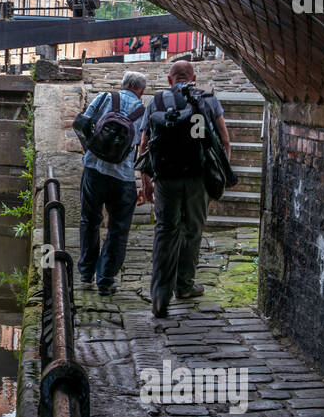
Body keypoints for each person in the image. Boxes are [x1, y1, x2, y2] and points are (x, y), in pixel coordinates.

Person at [138, 58, 230, 317]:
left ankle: (159, 295)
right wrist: (221, 175)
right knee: (192, 229)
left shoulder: (155, 102)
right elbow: (224, 140)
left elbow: (144, 144)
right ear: (194, 78)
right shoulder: (207, 99)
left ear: (170, 80)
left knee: (165, 231)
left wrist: (145, 180)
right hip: (197, 177)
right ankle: (185, 284)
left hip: (165, 178)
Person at [75, 71, 149, 295]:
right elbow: (144, 146)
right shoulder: (142, 112)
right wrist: (146, 183)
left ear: (123, 84)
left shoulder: (105, 97)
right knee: (118, 229)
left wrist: (90, 150)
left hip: (94, 170)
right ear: (141, 91)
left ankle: (86, 273)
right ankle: (105, 280)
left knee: (89, 219)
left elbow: (82, 123)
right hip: (123, 177)